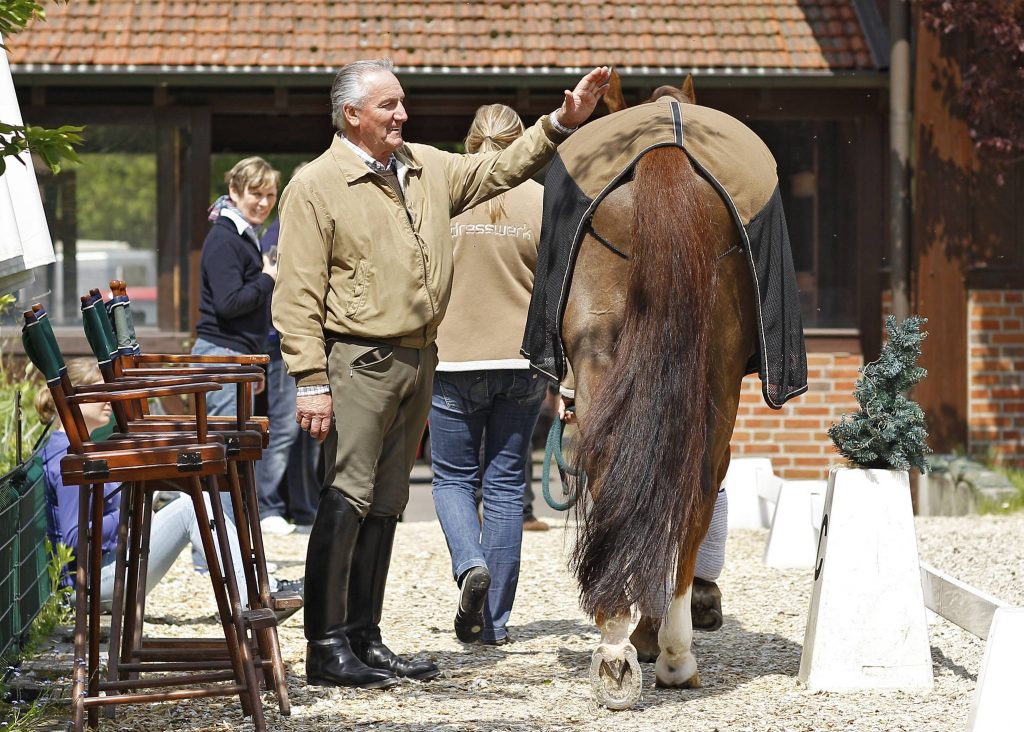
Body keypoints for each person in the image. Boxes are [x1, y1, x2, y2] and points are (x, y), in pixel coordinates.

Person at [272, 58, 610, 690]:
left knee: (387, 503)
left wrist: (561, 122)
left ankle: (365, 638)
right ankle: (326, 645)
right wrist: (311, 379)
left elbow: (500, 168)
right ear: (352, 114)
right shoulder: (316, 186)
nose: (403, 114)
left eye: (402, 103)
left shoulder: (425, 167)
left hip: (420, 358)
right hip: (358, 360)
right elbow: (295, 294)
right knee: (347, 496)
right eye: (388, 105)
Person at [429, 104, 548, 646]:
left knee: (454, 479)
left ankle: (469, 564)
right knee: (505, 485)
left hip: (452, 358)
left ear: (469, 141)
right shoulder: (542, 200)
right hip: (522, 360)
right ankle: (493, 623)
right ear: (522, 142)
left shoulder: (442, 196)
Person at [36, 358, 292, 610]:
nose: (108, 400)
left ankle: (257, 591)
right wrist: (130, 515)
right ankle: (254, 598)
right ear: (72, 400)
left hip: (105, 569)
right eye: (99, 392)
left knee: (193, 502)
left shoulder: (73, 448)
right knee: (190, 507)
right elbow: (73, 537)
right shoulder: (64, 457)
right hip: (90, 584)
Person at [191, 156, 291, 536]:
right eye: (255, 193)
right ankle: (213, 553)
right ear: (234, 191)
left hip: (236, 357)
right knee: (223, 457)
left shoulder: (244, 233)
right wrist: (267, 277)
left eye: (270, 195)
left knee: (232, 455)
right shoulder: (224, 238)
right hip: (221, 357)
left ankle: (229, 548)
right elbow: (229, 304)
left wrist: (253, 365)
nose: (264, 202)